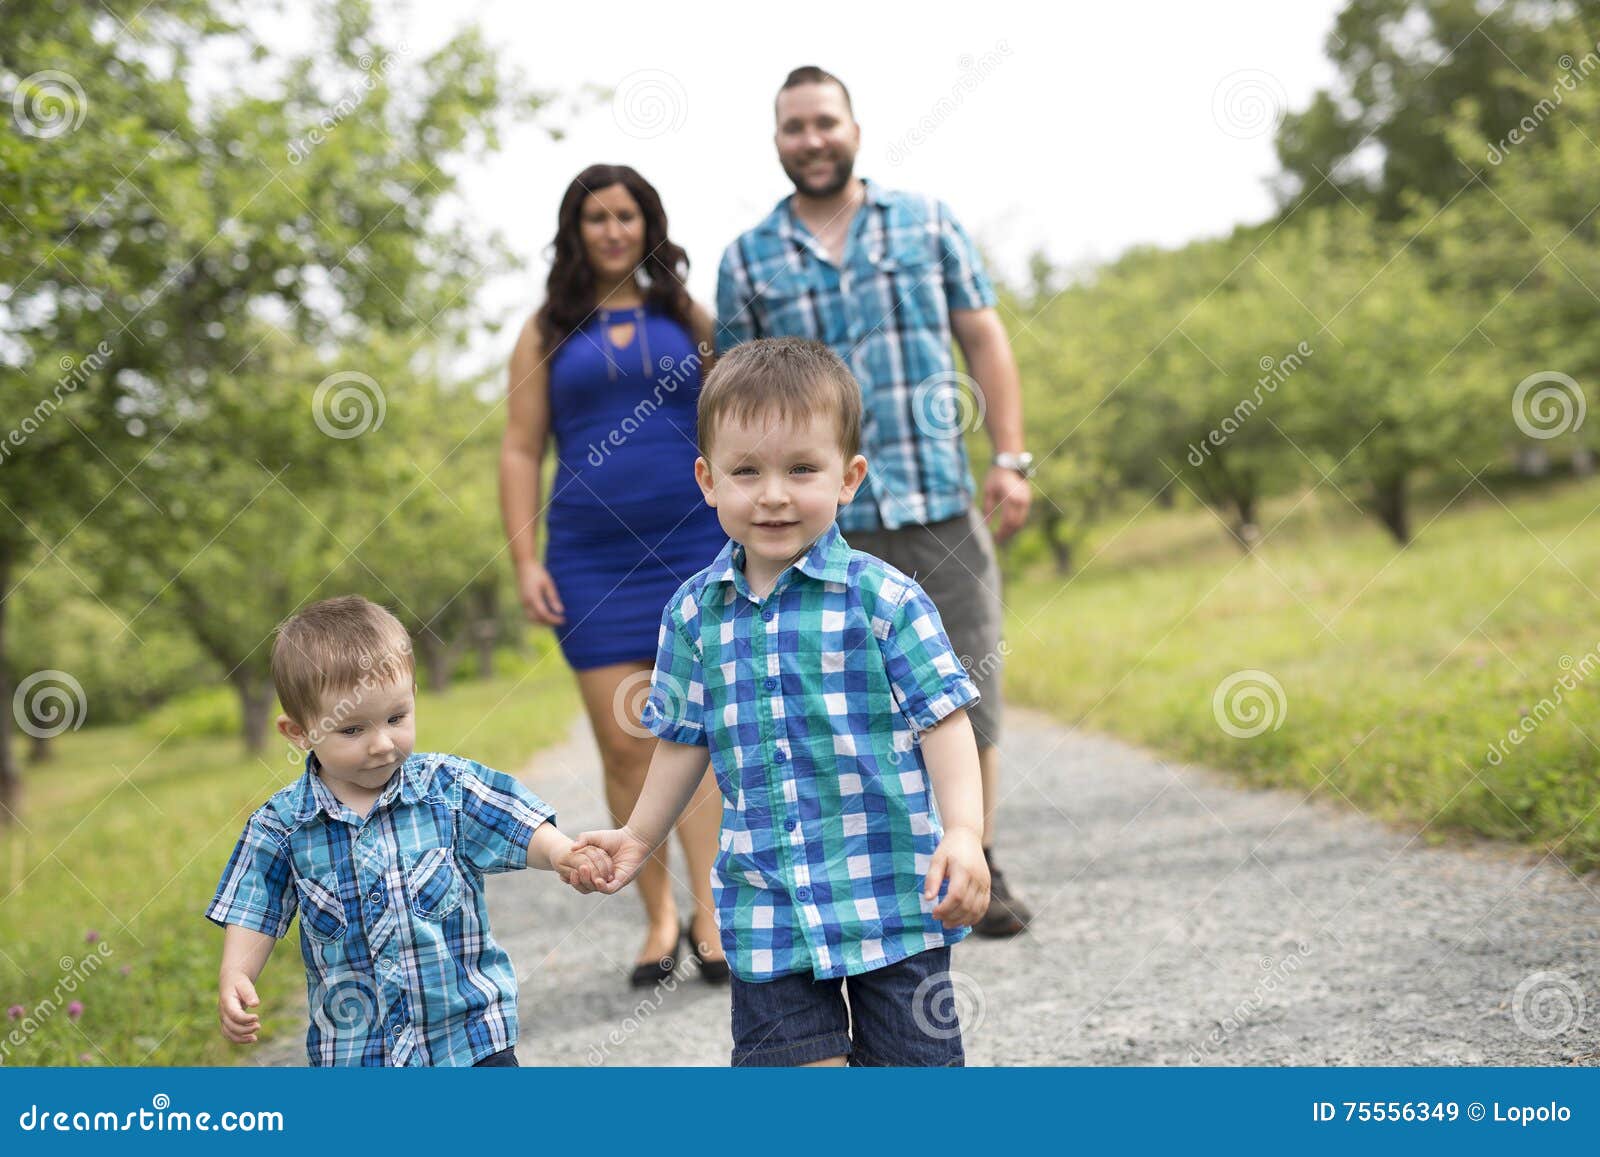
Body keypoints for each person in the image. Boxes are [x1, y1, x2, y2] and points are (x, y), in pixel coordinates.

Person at [569, 339, 990, 1066]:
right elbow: (681, 739)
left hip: (890, 897)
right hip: (769, 912)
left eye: (802, 468)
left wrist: (963, 832)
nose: (773, 494)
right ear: (707, 479)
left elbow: (944, 719)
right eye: (746, 471)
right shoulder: (694, 613)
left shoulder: (884, 599)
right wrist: (639, 836)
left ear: (849, 476)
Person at [716, 67, 1035, 936]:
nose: (811, 139)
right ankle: (874, 872)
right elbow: (732, 396)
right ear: (777, 140)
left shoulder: (928, 222)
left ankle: (979, 861)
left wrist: (1010, 457)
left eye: (824, 122)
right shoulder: (748, 258)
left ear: (853, 126)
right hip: (819, 523)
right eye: (793, 127)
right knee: (843, 704)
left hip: (937, 494)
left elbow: (984, 337)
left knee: (968, 687)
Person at [204, 596, 610, 1066]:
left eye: (396, 718)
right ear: (298, 733)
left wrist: (560, 852)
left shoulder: (447, 789)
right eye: (352, 730)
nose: (381, 744)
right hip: (359, 1052)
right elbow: (256, 908)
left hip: (471, 1038)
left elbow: (512, 821)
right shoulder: (282, 827)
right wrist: (236, 973)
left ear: (413, 695)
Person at [500, 164, 728, 986]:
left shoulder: (685, 313)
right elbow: (521, 446)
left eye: (626, 215)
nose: (611, 230)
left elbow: (735, 411)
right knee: (625, 742)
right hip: (590, 560)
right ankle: (657, 917)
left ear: (647, 224)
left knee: (690, 732)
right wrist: (525, 559)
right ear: (575, 231)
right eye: (594, 218)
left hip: (692, 546)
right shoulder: (546, 330)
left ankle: (711, 918)